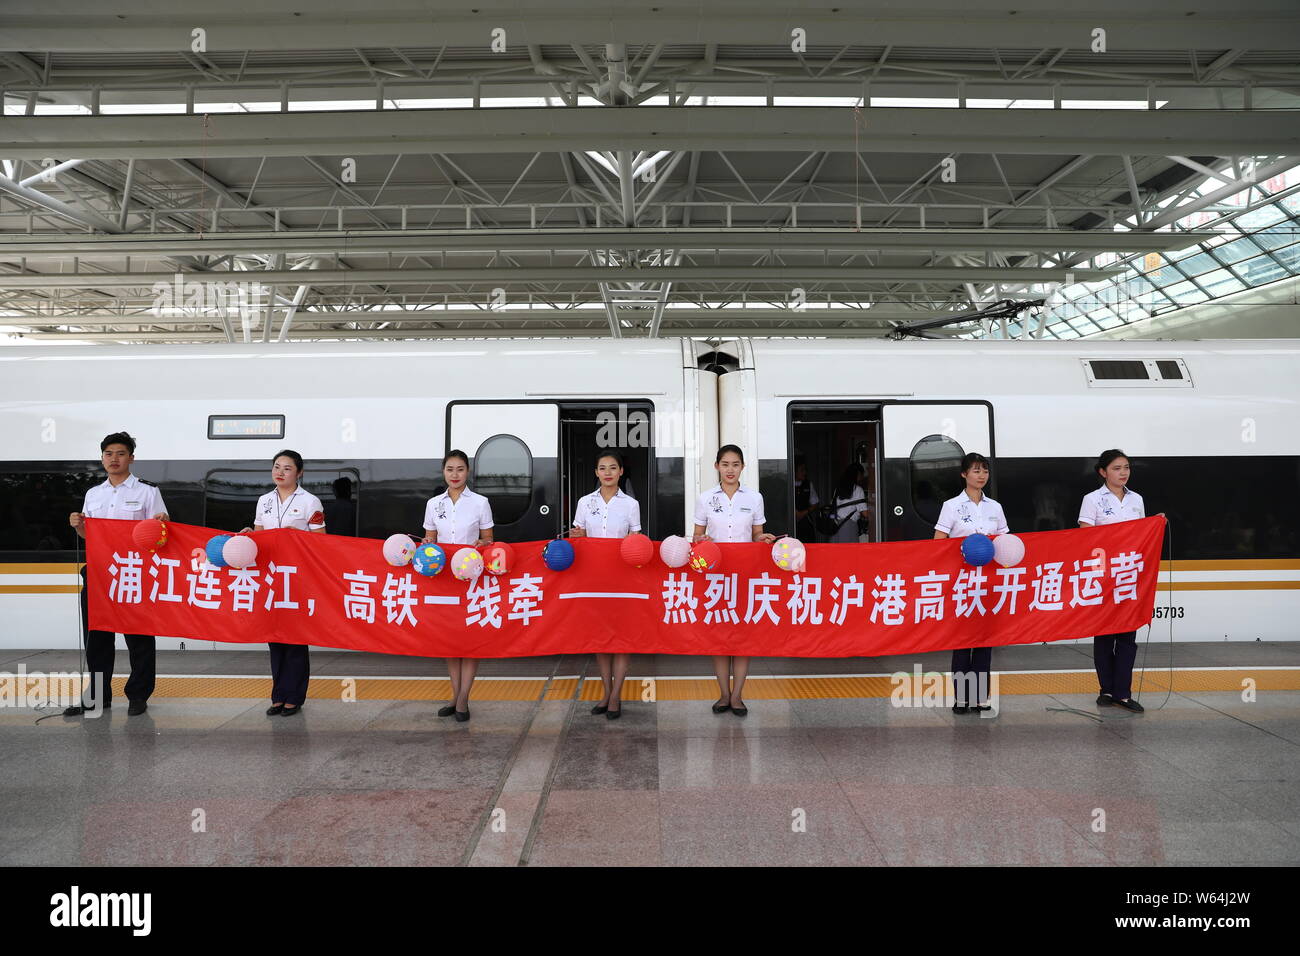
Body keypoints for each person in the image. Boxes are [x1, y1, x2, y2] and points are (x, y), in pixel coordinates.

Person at [64, 431, 168, 717]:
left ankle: (138, 695)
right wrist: (78, 526)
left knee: (139, 638)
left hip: (134, 575)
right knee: (96, 638)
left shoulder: (148, 492)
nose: (114, 459)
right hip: (99, 575)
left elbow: (160, 535)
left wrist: (163, 523)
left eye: (120, 453)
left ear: (131, 458)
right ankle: (98, 697)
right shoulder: (93, 494)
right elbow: (90, 537)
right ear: (102, 458)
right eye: (108, 453)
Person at [692, 444, 776, 717]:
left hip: (744, 575)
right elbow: (696, 536)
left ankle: (738, 696)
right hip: (715, 577)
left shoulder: (754, 498)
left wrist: (762, 539)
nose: (730, 469)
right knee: (718, 637)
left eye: (735, 464)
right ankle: (723, 694)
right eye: (725, 464)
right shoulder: (705, 498)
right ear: (716, 466)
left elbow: (756, 534)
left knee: (741, 637)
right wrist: (700, 540)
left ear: (742, 467)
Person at [242, 450, 326, 717]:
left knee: (296, 639)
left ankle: (295, 696)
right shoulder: (264, 500)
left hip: (298, 578)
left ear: (299, 473)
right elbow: (259, 536)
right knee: (275, 637)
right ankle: (278, 695)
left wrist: (296, 537)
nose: (280, 472)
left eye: (287, 468)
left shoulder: (311, 502)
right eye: (277, 467)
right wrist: (248, 535)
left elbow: (322, 541)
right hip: (270, 577)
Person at [1078, 449, 1160, 715]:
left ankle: (1123, 693)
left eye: (1126, 467)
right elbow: (1086, 535)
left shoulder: (1137, 499)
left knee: (1127, 636)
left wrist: (1155, 525)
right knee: (1103, 636)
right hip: (1102, 576)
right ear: (1103, 472)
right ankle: (1107, 690)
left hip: (1129, 575)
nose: (1123, 472)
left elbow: (1142, 536)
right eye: (1116, 468)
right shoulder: (1091, 500)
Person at [934, 453, 1008, 715]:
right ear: (964, 474)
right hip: (962, 583)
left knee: (985, 641)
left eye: (985, 471)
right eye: (976, 471)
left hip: (989, 582)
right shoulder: (951, 505)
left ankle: (980, 697)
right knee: (964, 641)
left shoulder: (995, 507)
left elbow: (1005, 542)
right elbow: (939, 541)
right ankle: (961, 697)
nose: (981, 475)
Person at [570, 450, 642, 720]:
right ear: (596, 472)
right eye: (603, 468)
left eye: (613, 468)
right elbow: (579, 537)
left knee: (621, 638)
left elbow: (636, 541)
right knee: (600, 638)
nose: (608, 472)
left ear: (621, 472)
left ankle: (616, 696)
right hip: (594, 578)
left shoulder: (630, 504)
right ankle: (605, 691)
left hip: (622, 578)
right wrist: (579, 536)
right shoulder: (585, 502)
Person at [423, 450, 493, 723]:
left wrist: (481, 544)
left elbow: (488, 539)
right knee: (449, 641)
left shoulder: (480, 502)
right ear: (443, 472)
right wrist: (429, 545)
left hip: (471, 575)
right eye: (450, 469)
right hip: (443, 578)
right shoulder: (433, 504)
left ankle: (464, 698)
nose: (455, 474)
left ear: (468, 472)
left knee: (470, 639)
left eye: (460, 469)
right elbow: (430, 538)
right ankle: (455, 696)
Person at [828, 462, 869, 543]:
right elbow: (865, 513)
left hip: (836, 526)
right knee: (850, 553)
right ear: (858, 475)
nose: (862, 478)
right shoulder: (858, 489)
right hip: (849, 526)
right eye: (861, 475)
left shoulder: (838, 489)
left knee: (837, 553)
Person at [792, 456, 820, 542]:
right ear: (794, 471)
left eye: (805, 470)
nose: (805, 473)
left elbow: (815, 503)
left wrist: (804, 513)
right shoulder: (787, 484)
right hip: (790, 522)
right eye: (802, 470)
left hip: (805, 521)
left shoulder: (808, 484)